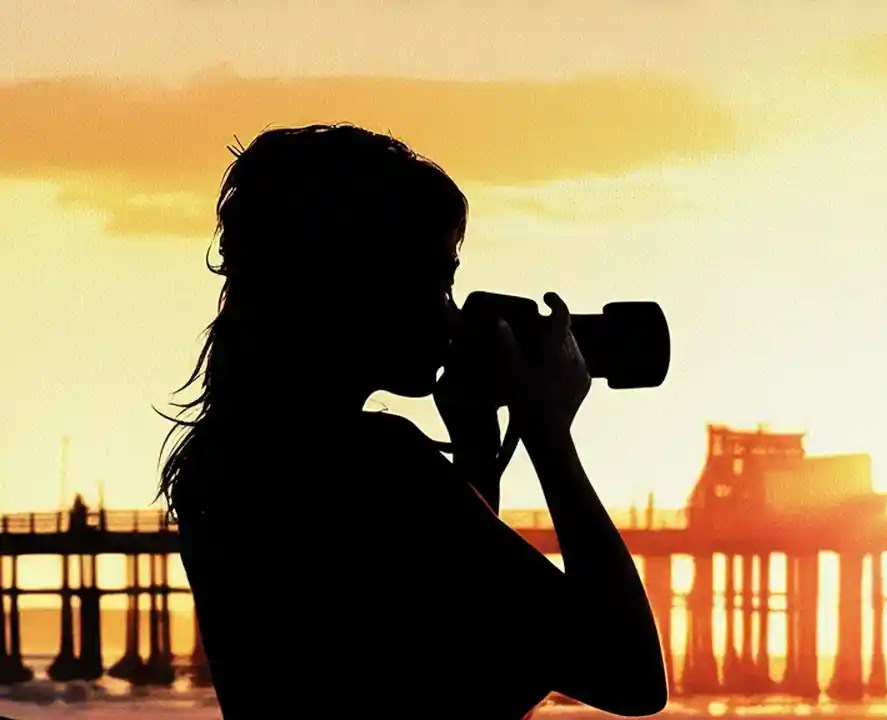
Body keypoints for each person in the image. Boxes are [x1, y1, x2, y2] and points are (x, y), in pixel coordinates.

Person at [154, 124, 668, 718]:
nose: (450, 311)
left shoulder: (226, 466)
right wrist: (549, 433)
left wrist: (476, 448)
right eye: (438, 280)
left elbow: (442, 636)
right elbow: (628, 673)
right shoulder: (374, 466)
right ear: (359, 286)